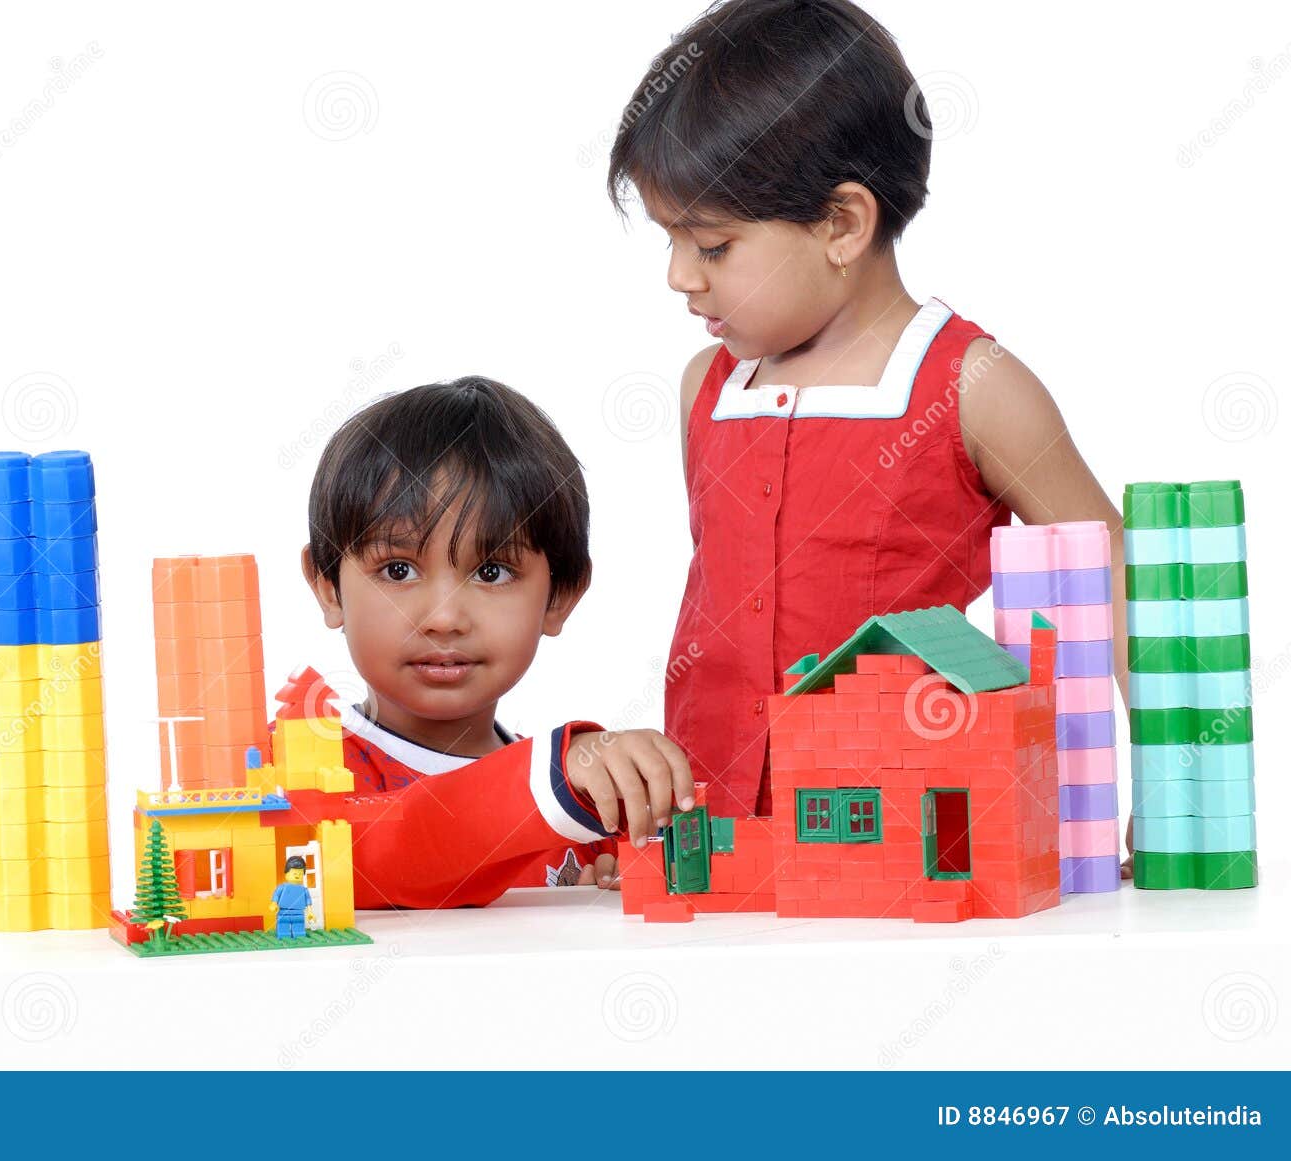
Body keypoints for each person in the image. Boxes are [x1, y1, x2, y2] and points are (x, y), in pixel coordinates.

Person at [606, 0, 1129, 833]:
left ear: (842, 224)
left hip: (903, 835)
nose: (679, 276)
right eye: (670, 240)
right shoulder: (706, 385)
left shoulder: (972, 385)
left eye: (711, 247)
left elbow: (1112, 576)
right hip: (708, 839)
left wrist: (1170, 783)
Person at [301, 376, 694, 906]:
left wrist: (600, 897)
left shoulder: (590, 801)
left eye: (491, 572)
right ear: (328, 586)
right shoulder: (299, 772)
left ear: (561, 595)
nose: (443, 619)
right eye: (397, 570)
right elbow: (373, 857)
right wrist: (555, 777)